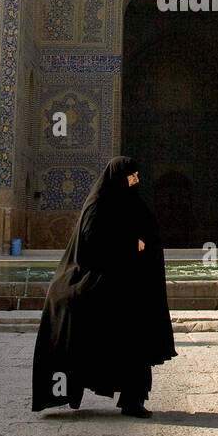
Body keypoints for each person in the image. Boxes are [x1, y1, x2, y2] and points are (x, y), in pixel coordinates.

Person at [31, 155, 176, 418]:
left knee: (134, 341)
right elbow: (93, 242)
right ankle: (70, 392)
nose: (136, 180)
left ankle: (132, 400)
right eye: (132, 175)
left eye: (137, 175)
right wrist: (131, 244)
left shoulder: (129, 203)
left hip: (125, 288)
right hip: (96, 284)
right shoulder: (98, 206)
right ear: (118, 176)